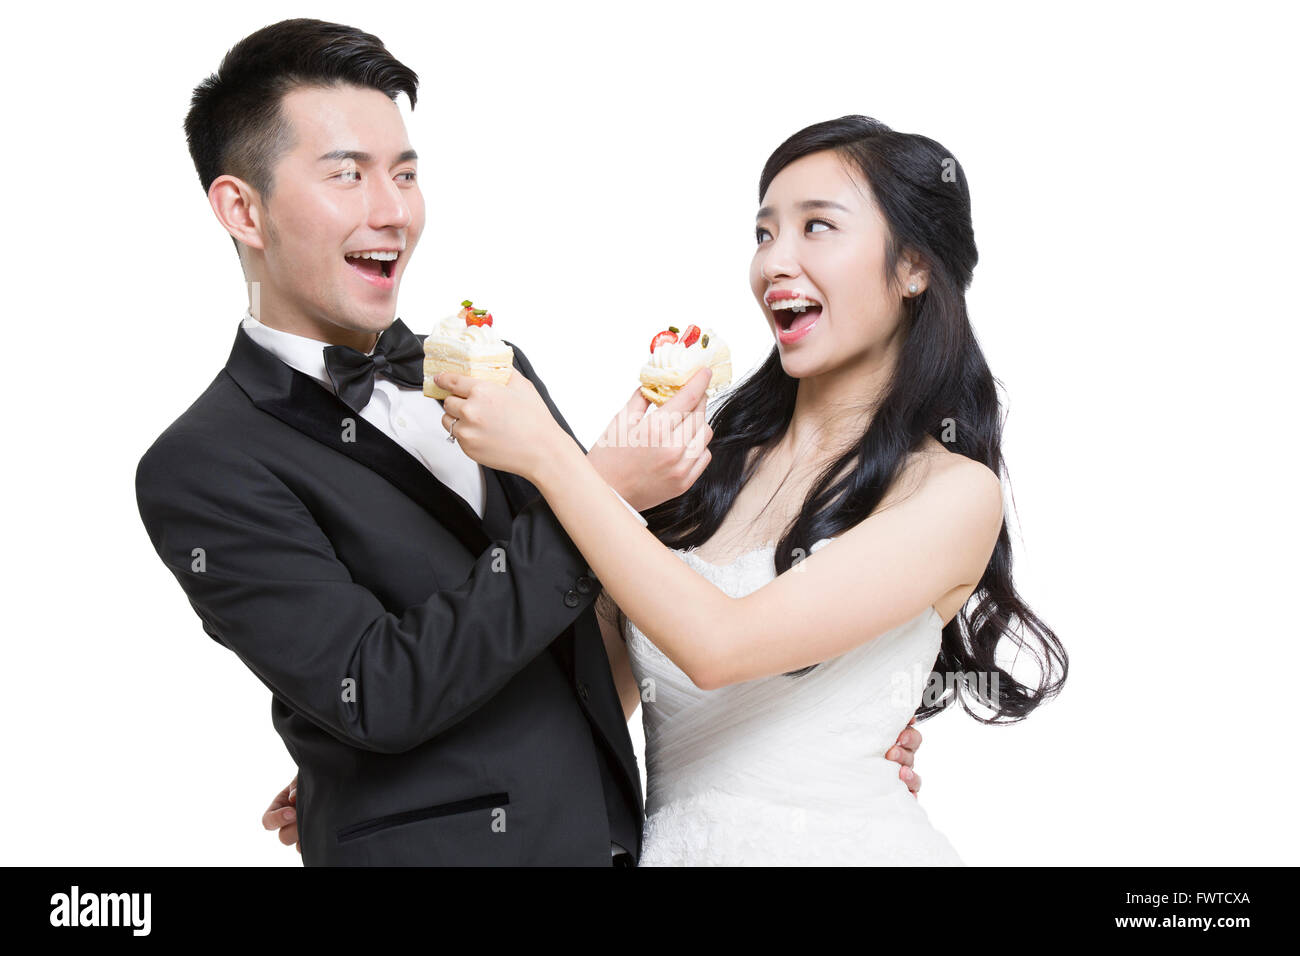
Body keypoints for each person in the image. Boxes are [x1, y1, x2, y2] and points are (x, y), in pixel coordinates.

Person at [135, 19, 925, 866]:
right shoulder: (202, 463)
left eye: (405, 174)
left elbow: (582, 640)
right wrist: (595, 486)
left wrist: (813, 722)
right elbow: (380, 692)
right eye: (348, 175)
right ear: (241, 208)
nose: (393, 210)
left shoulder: (496, 370)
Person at [429, 115, 1068, 865]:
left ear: (913, 268)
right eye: (764, 234)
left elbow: (718, 646)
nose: (775, 263)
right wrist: (389, 786)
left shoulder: (954, 493)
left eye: (817, 227)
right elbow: (585, 700)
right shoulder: (700, 462)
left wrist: (555, 457)